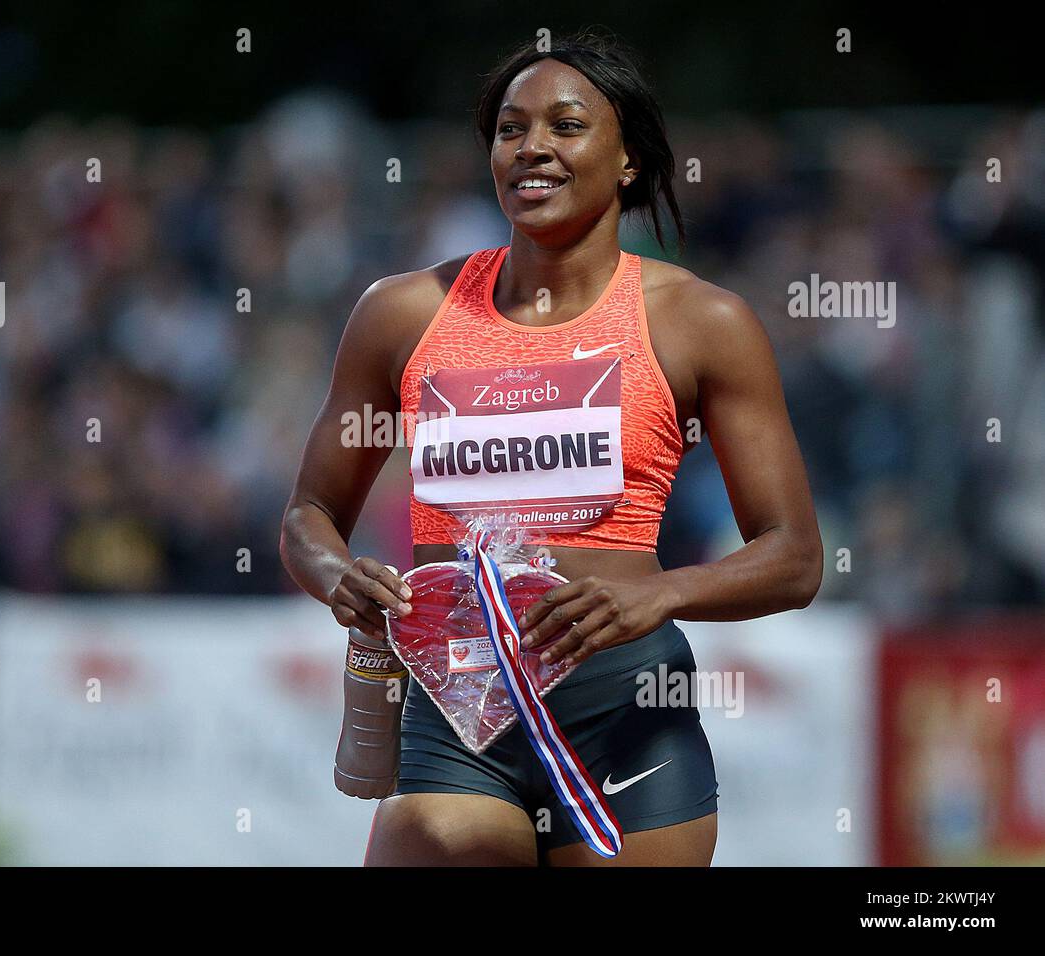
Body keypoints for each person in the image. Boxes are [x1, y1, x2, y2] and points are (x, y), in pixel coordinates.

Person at [280, 31, 822, 866]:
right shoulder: (401, 313)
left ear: (629, 159)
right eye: (509, 129)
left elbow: (794, 558)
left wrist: (664, 594)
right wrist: (336, 576)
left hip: (627, 709)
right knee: (431, 837)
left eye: (566, 126)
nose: (532, 147)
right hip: (457, 700)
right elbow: (309, 515)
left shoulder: (702, 323)